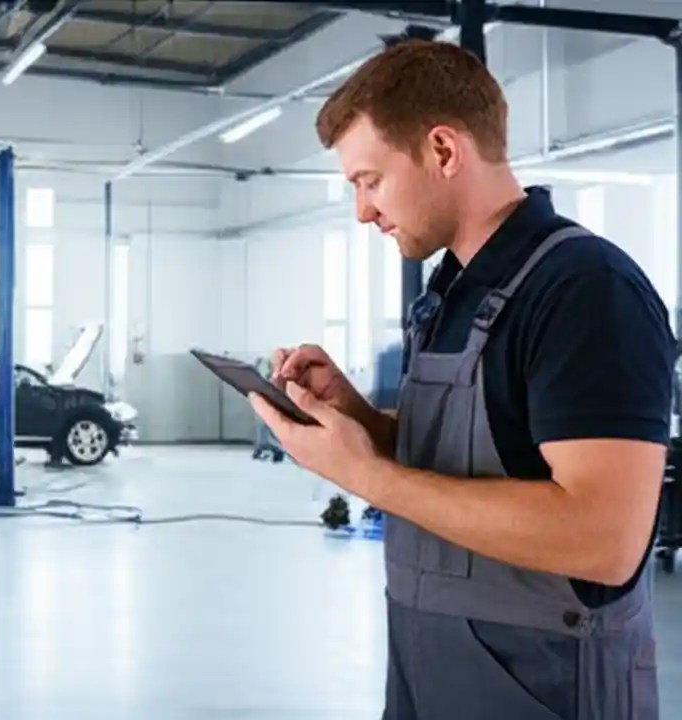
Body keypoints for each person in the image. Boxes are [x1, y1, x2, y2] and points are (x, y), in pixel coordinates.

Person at [250, 39, 672, 719]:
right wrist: (361, 423)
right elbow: (480, 459)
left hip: (545, 689)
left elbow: (603, 540)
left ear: (444, 150)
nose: (362, 211)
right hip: (430, 675)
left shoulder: (586, 290)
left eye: (369, 180)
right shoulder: (451, 290)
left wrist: (368, 477)